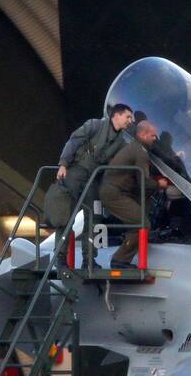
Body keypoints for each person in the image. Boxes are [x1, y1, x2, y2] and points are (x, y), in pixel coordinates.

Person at [43, 103, 134, 230]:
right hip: (76, 172)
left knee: (95, 216)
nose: (130, 121)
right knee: (65, 214)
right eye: (127, 117)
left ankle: (91, 250)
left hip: (93, 179)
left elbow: (126, 159)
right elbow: (73, 141)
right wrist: (63, 164)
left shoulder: (121, 142)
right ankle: (61, 250)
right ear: (117, 115)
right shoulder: (95, 125)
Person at [98, 119, 168, 268]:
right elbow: (143, 182)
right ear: (142, 135)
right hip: (114, 193)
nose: (155, 139)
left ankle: (121, 259)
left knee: (137, 222)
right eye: (153, 136)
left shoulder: (135, 148)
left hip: (116, 191)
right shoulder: (140, 152)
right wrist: (159, 184)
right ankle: (119, 260)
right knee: (142, 224)